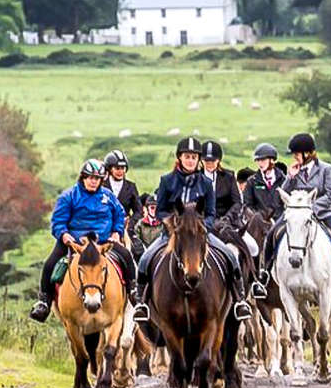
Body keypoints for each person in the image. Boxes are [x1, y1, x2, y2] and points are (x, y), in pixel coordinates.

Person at [142, 137, 251, 320]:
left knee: (231, 256)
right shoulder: (167, 180)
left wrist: (203, 227)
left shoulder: (206, 183)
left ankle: (239, 300)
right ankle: (142, 303)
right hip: (173, 233)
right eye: (187, 156)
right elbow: (160, 210)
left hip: (199, 234)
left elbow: (210, 212)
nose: (191, 160)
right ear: (180, 158)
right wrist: (172, 225)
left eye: (194, 157)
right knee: (145, 259)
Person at [29, 158, 137, 323]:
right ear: (83, 178)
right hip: (74, 242)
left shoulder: (108, 196)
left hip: (103, 242)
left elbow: (119, 215)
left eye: (98, 178)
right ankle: (44, 302)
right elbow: (58, 222)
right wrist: (64, 235)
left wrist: (116, 232)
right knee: (50, 264)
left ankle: (134, 294)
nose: (94, 182)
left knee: (127, 257)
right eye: (91, 177)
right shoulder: (69, 196)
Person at [261, 132, 331, 292]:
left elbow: (330, 195)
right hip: (295, 214)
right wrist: (291, 177)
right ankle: (265, 272)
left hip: (322, 213)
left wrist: (310, 209)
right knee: (271, 235)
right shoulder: (294, 171)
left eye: (296, 154)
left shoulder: (325, 169)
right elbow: (283, 195)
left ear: (307, 153)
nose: (295, 157)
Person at [242, 142, 287, 221]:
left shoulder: (284, 180)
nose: (260, 163)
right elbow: (247, 205)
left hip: (279, 222)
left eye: (262, 160)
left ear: (272, 160)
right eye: (258, 160)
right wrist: (257, 218)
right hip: (260, 224)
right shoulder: (252, 182)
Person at [200, 140, 241, 220]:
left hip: (225, 221)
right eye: (207, 161)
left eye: (213, 161)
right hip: (202, 222)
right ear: (201, 160)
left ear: (218, 160)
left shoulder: (229, 177)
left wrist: (228, 217)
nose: (210, 164)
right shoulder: (195, 177)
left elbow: (237, 203)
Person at [102, 149, 142, 226]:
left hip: (125, 227)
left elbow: (138, 211)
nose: (120, 171)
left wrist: (130, 222)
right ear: (110, 169)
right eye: (117, 168)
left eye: (122, 168)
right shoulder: (102, 186)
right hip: (104, 226)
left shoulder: (131, 187)